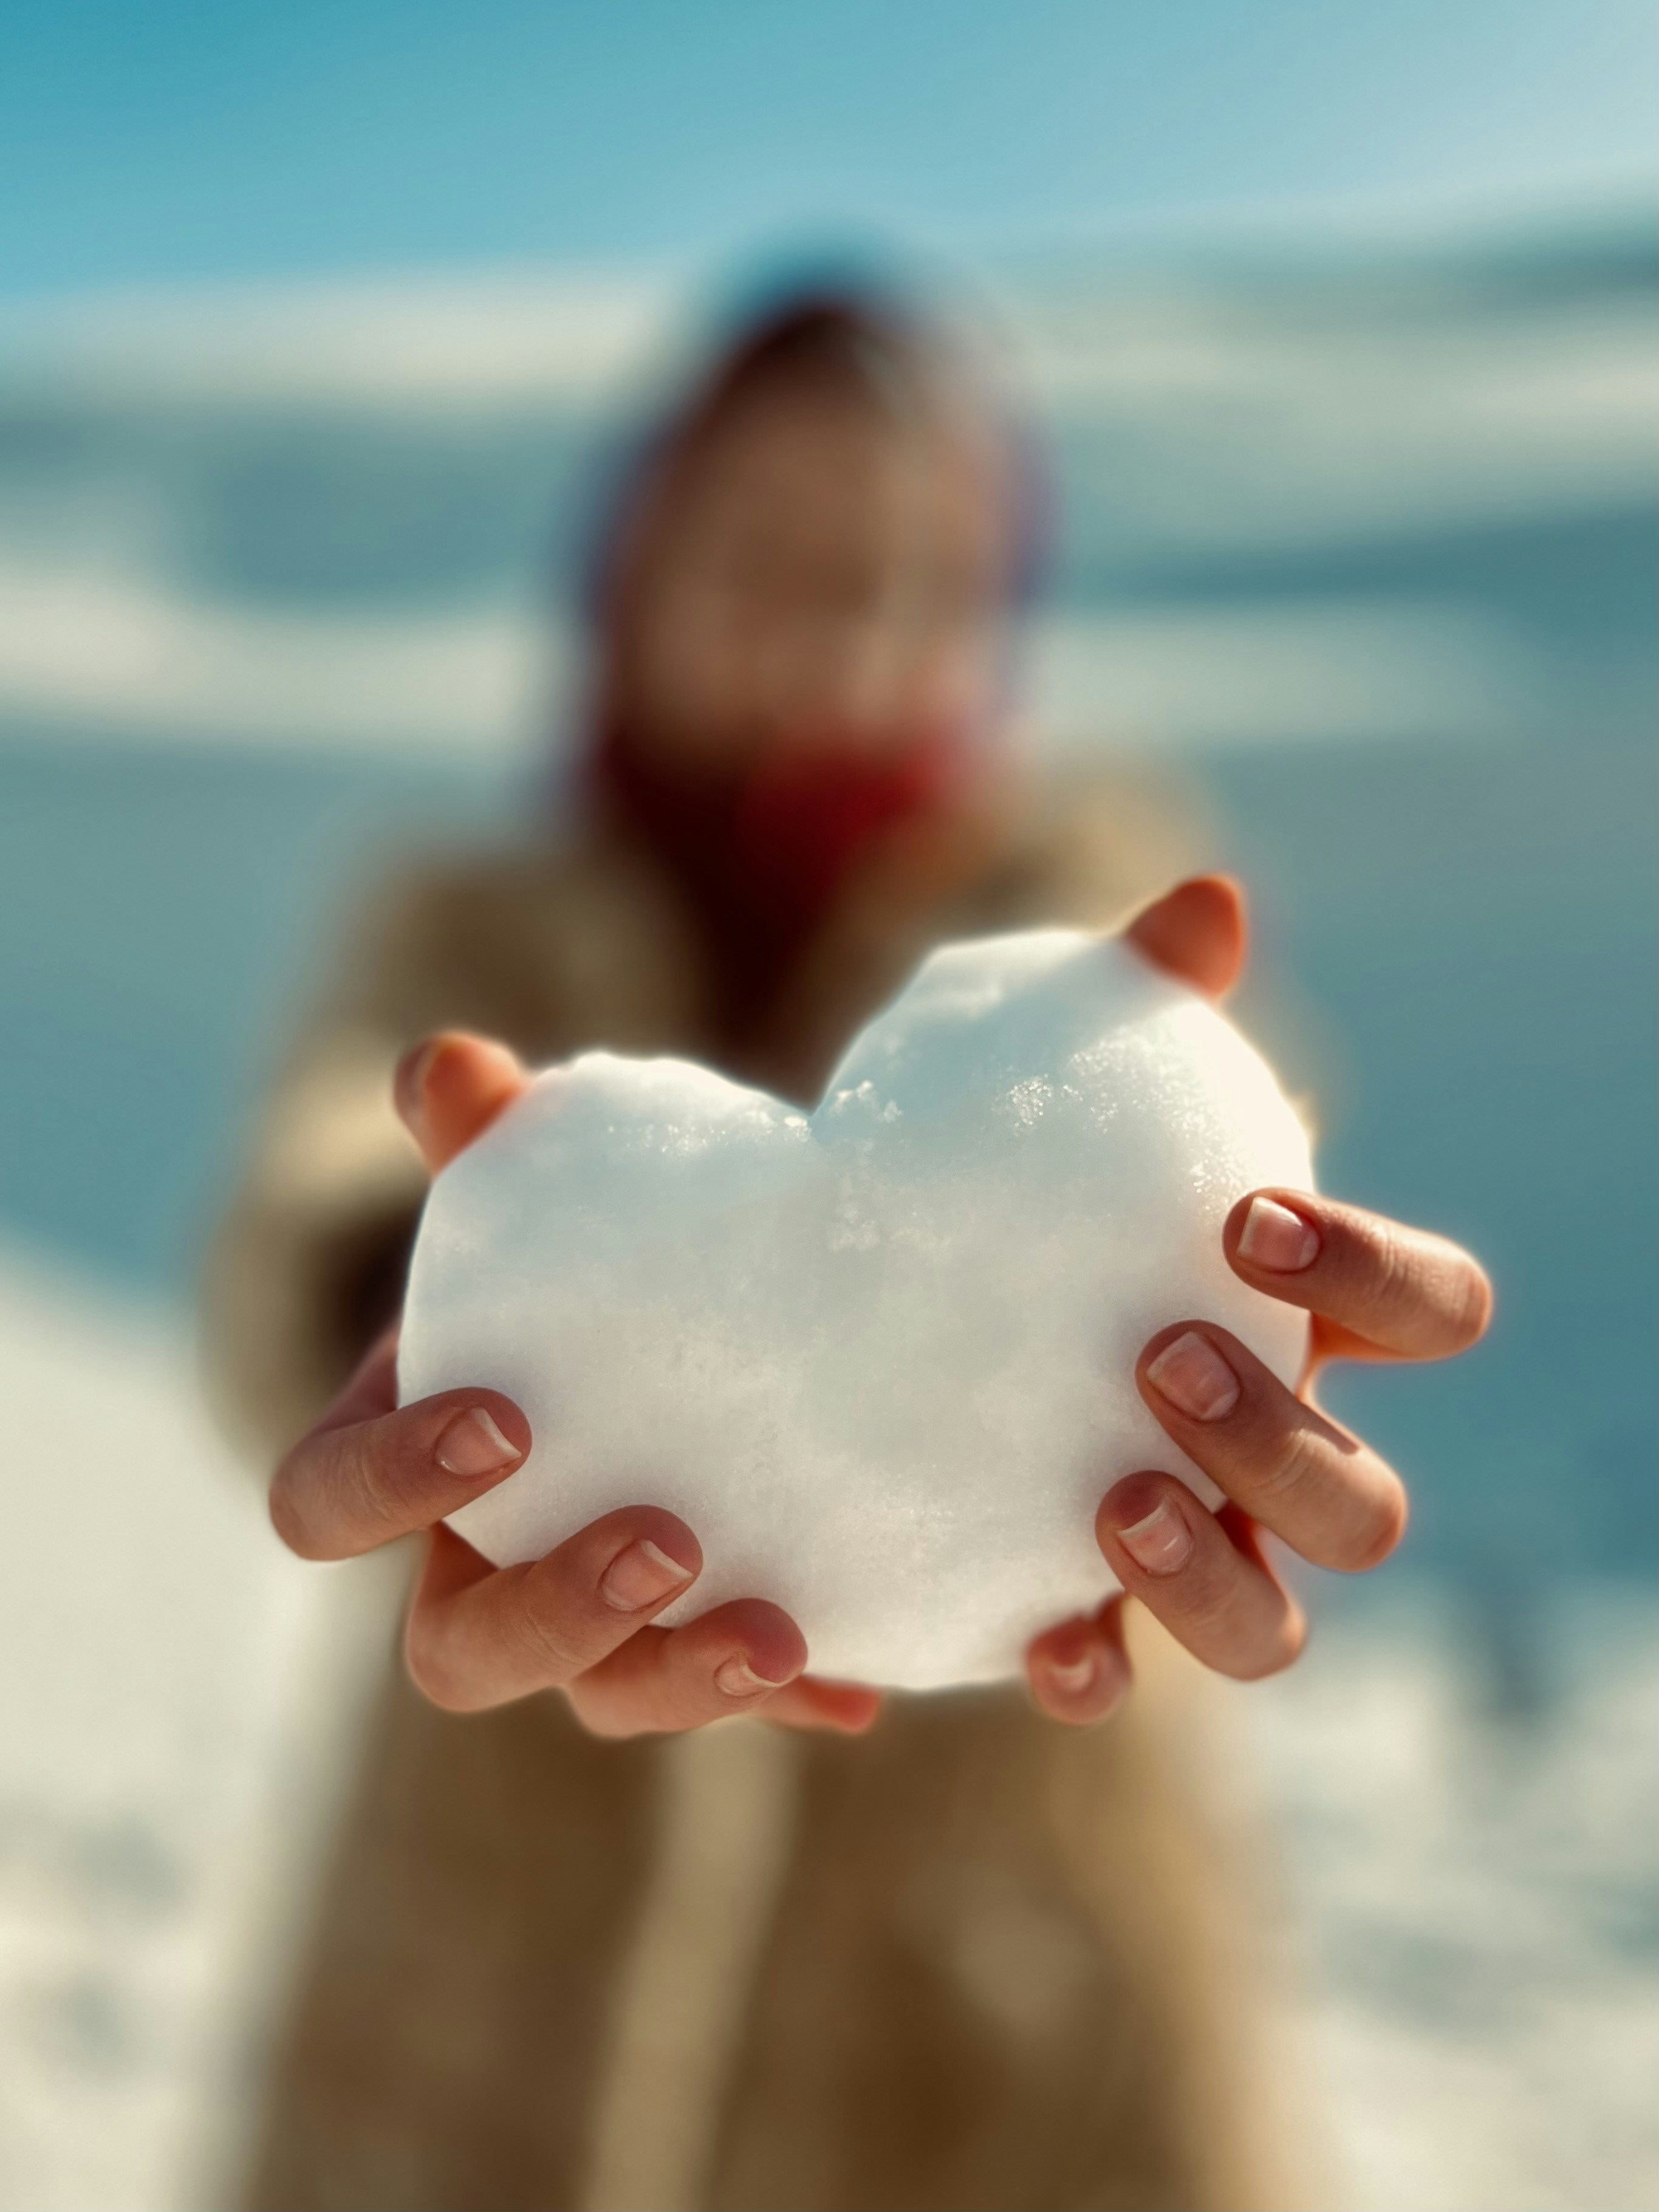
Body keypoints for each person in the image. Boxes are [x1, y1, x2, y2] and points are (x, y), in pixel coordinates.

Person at [205, 292, 1491, 2212]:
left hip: (1004, 2015)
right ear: (636, 564)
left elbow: (1237, 1132)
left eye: (914, 575)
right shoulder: (464, 913)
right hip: (484, 1996)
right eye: (774, 553)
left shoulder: (1079, 898)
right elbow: (306, 1189)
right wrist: (429, 1311)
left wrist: (1274, 1308)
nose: (836, 627)